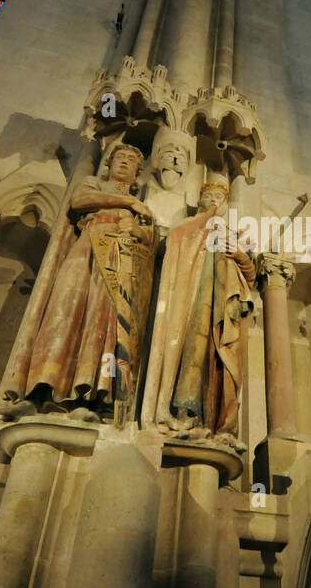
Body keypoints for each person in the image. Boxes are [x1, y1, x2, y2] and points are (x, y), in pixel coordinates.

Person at [23, 143, 156, 422]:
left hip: (120, 257)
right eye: (119, 157)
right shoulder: (94, 184)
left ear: (137, 174)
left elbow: (150, 242)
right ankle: (40, 391)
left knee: (105, 324)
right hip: (87, 244)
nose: (124, 163)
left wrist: (140, 231)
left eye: (131, 161)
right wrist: (128, 202)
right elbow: (79, 200)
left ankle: (92, 395)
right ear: (108, 164)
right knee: (64, 308)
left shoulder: (143, 206)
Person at [142, 180, 254, 445]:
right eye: (209, 195)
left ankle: (222, 428)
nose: (214, 199)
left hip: (227, 307)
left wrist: (238, 254)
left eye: (219, 196)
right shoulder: (189, 227)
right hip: (196, 301)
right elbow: (177, 249)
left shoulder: (236, 235)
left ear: (227, 205)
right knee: (192, 350)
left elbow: (251, 275)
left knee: (224, 364)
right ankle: (186, 413)